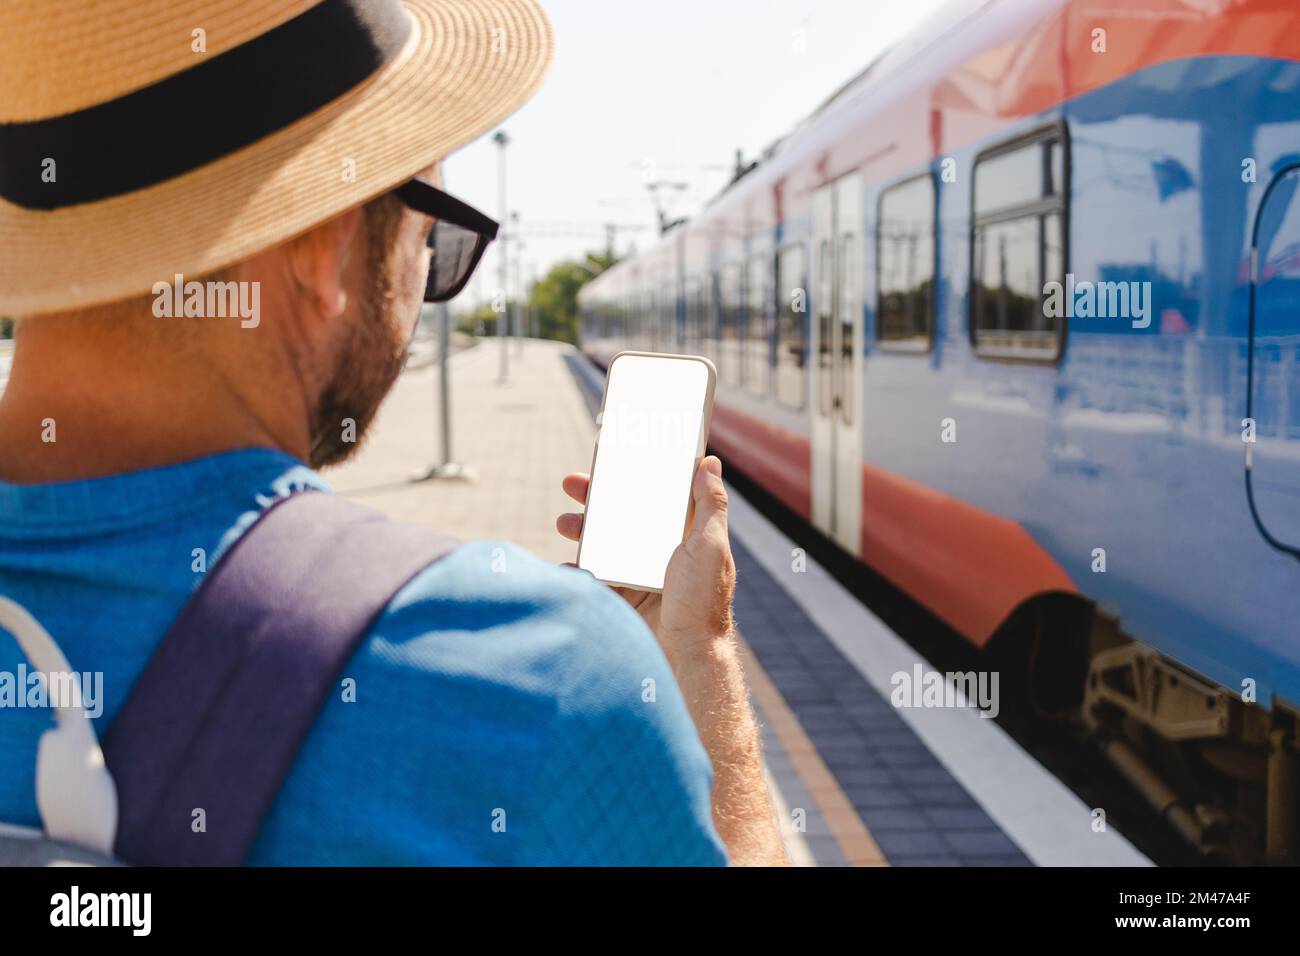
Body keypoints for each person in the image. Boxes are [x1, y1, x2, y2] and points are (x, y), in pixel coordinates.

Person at [0, 0, 785, 865]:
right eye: (432, 238)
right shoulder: (537, 682)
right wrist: (698, 654)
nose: (425, 287)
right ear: (320, 245)